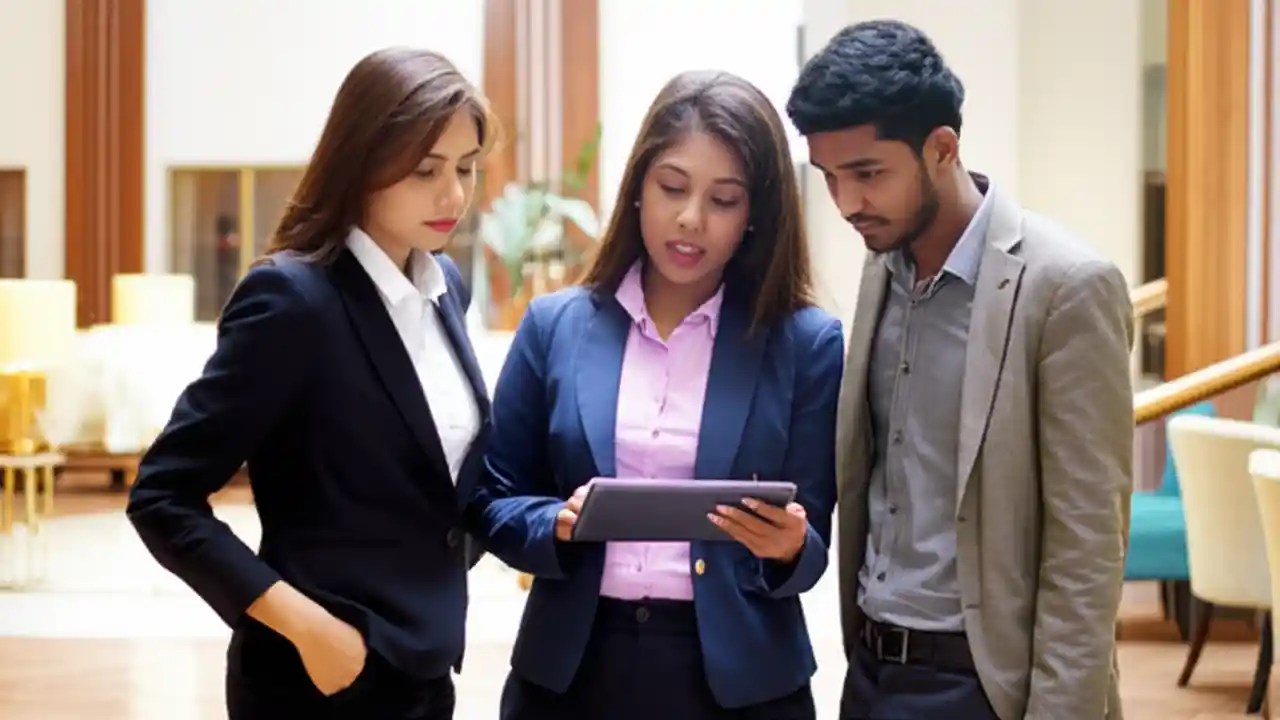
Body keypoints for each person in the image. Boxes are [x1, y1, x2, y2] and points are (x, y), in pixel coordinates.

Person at [126, 47, 492, 720]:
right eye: (425, 170)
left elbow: (438, 482)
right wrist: (309, 629)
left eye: (466, 168)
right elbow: (163, 497)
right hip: (313, 680)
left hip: (425, 670)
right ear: (362, 162)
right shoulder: (293, 301)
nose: (454, 195)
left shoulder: (446, 291)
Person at [467, 70, 843, 720]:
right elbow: (491, 499)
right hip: (573, 672)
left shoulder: (805, 343)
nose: (691, 219)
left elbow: (812, 546)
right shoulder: (556, 326)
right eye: (672, 187)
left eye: (724, 200)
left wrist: (786, 545)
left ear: (756, 214)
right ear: (638, 186)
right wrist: (553, 524)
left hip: (741, 683)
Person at [786, 20, 1133, 720]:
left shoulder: (1066, 286)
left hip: (986, 685)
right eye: (829, 178)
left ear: (942, 148)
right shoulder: (881, 265)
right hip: (873, 672)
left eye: (867, 173)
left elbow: (1086, 550)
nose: (846, 203)